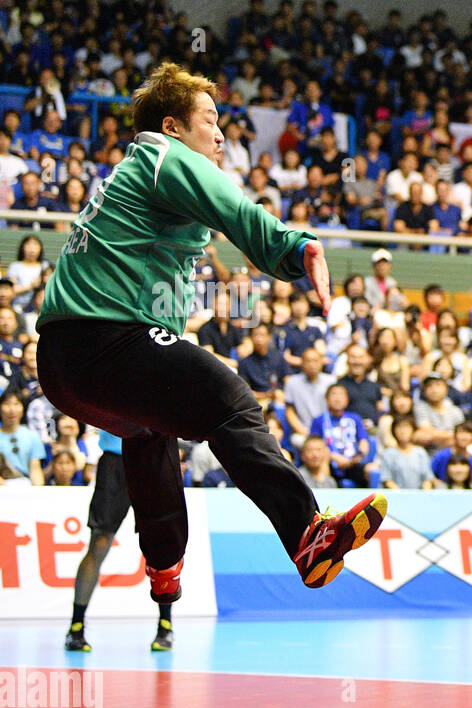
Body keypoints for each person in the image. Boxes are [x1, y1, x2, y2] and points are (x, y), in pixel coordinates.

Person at [36, 64, 387, 603]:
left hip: (67, 366)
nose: (221, 134)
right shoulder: (161, 156)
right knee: (230, 399)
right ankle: (307, 534)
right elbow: (237, 210)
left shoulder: (142, 183)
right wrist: (295, 248)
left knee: (150, 429)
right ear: (173, 127)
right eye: (209, 120)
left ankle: (163, 563)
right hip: (101, 342)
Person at [64, 430, 175, 652]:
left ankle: (165, 626)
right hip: (116, 461)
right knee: (99, 542)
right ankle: (76, 627)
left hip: (153, 461)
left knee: (159, 546)